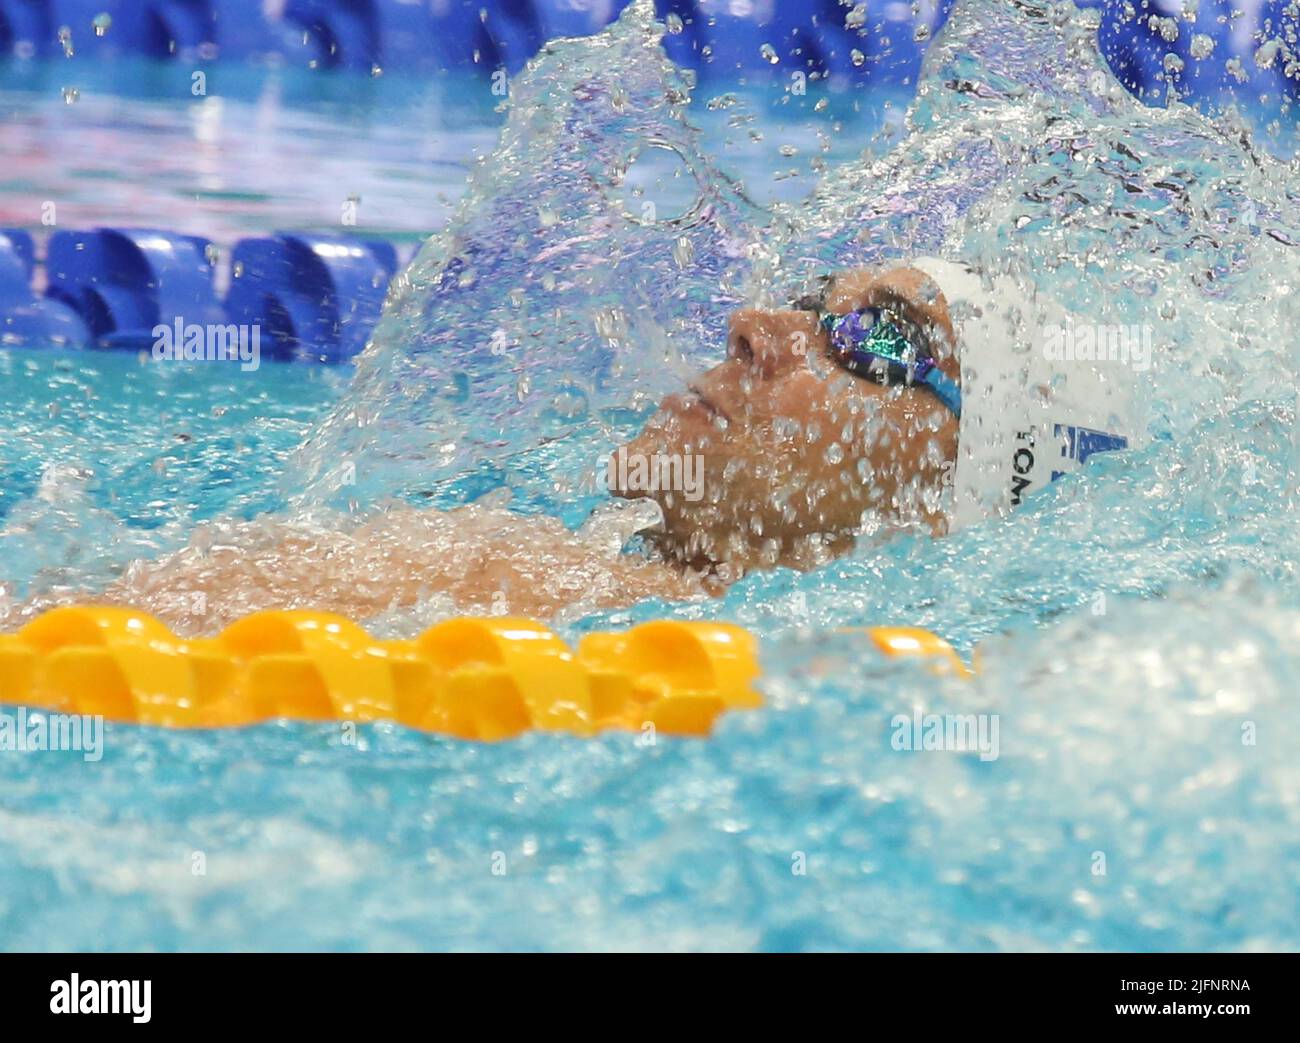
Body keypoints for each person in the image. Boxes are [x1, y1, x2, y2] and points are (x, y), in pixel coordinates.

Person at [9, 259, 1140, 633]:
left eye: (874, 339)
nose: (758, 324)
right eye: (808, 294)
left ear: (943, 505)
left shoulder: (523, 574)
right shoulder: (544, 574)